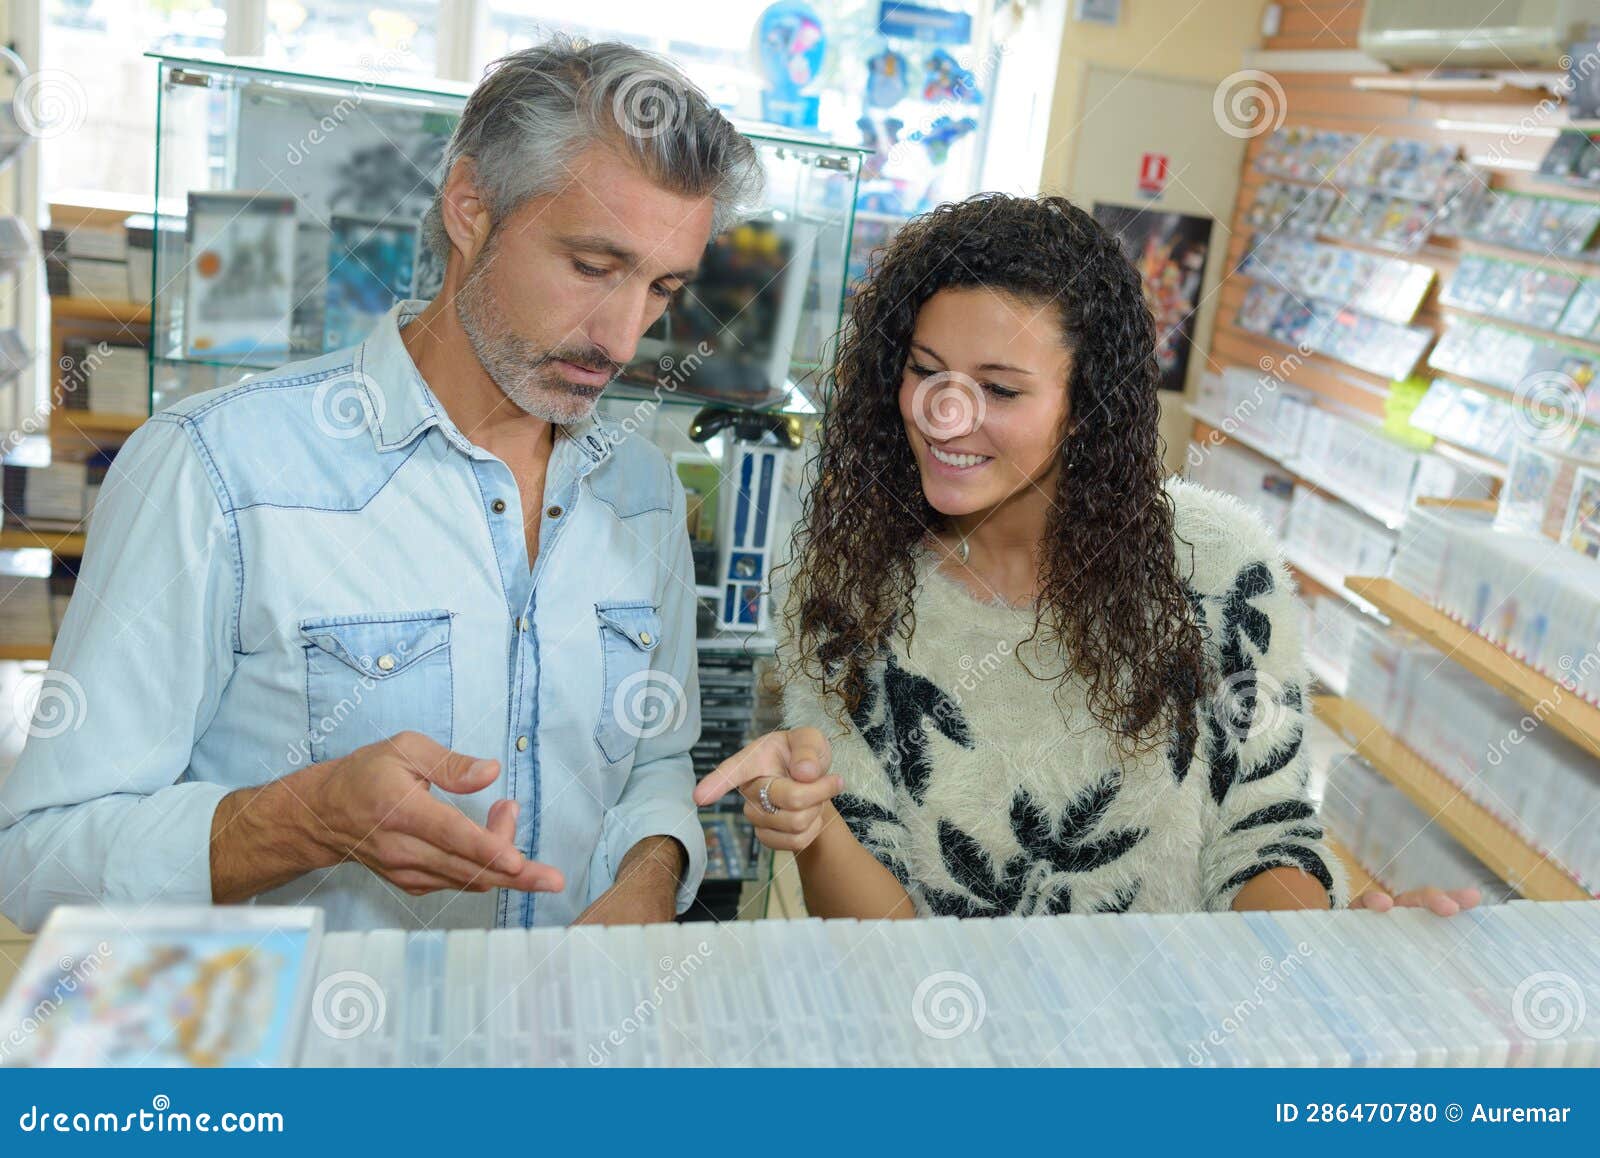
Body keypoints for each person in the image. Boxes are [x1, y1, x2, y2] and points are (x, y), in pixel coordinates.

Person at [0, 38, 763, 933]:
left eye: (662, 286)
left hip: (565, 1048)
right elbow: (36, 861)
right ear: (471, 208)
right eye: (594, 267)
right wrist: (305, 820)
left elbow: (654, 762)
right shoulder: (216, 472)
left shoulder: (643, 489)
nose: (623, 339)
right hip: (314, 1063)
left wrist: (645, 879)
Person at [695, 194, 1480, 920]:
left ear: (1085, 406)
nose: (942, 414)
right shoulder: (847, 588)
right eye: (925, 371)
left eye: (1000, 390)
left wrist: (1329, 954)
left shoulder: (1217, 570)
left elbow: (1263, 831)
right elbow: (876, 930)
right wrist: (813, 824)